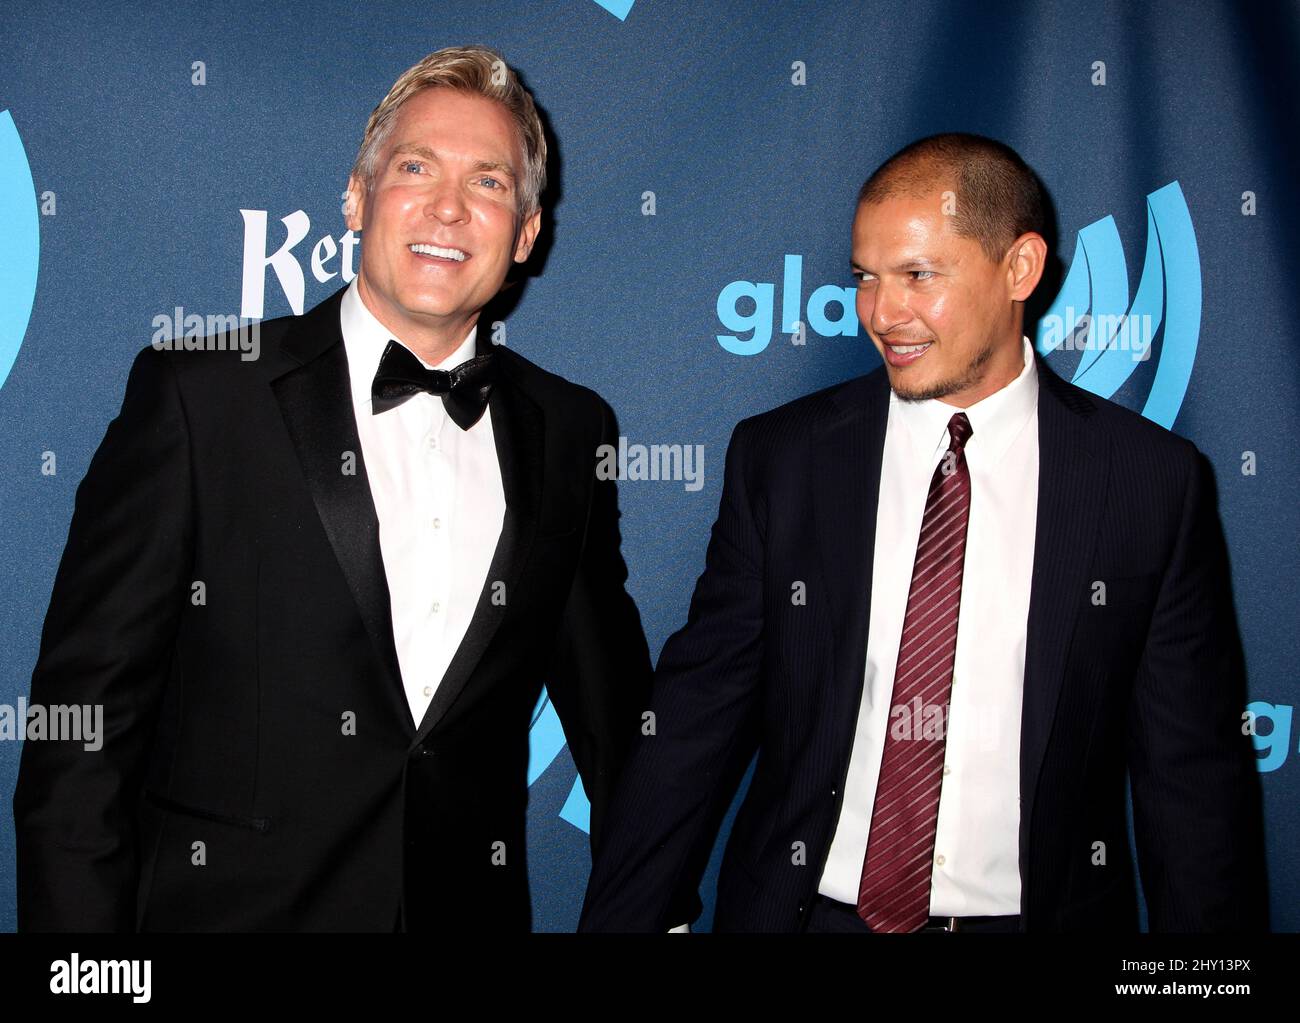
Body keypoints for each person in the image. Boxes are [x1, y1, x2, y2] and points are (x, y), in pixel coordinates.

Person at [15, 45, 652, 932]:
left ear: (527, 233)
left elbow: (613, 714)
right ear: (356, 196)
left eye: (491, 182)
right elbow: (85, 723)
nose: (448, 208)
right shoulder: (202, 394)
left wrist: (657, 907)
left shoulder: (573, 430)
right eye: (416, 167)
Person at [579, 133, 1267, 933]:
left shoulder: (1147, 481)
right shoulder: (785, 459)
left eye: (918, 275)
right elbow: (697, 720)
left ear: (1021, 269)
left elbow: (1191, 778)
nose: (881, 312)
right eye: (867, 277)